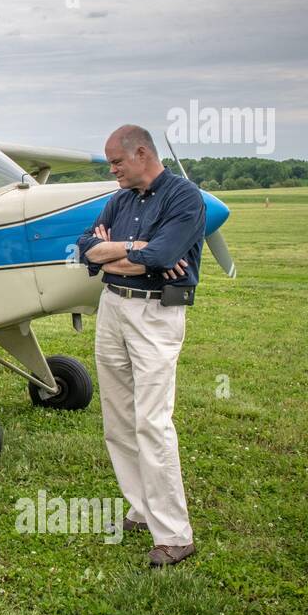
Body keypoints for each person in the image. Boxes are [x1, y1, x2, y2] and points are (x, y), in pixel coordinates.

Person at [76, 125, 206, 568]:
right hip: (112, 308)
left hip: (156, 315)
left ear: (142, 153)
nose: (111, 170)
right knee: (117, 419)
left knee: (152, 421)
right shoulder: (120, 199)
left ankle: (174, 535)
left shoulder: (185, 197)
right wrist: (131, 249)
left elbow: (163, 257)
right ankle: (141, 507)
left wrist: (124, 254)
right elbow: (85, 247)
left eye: (116, 162)